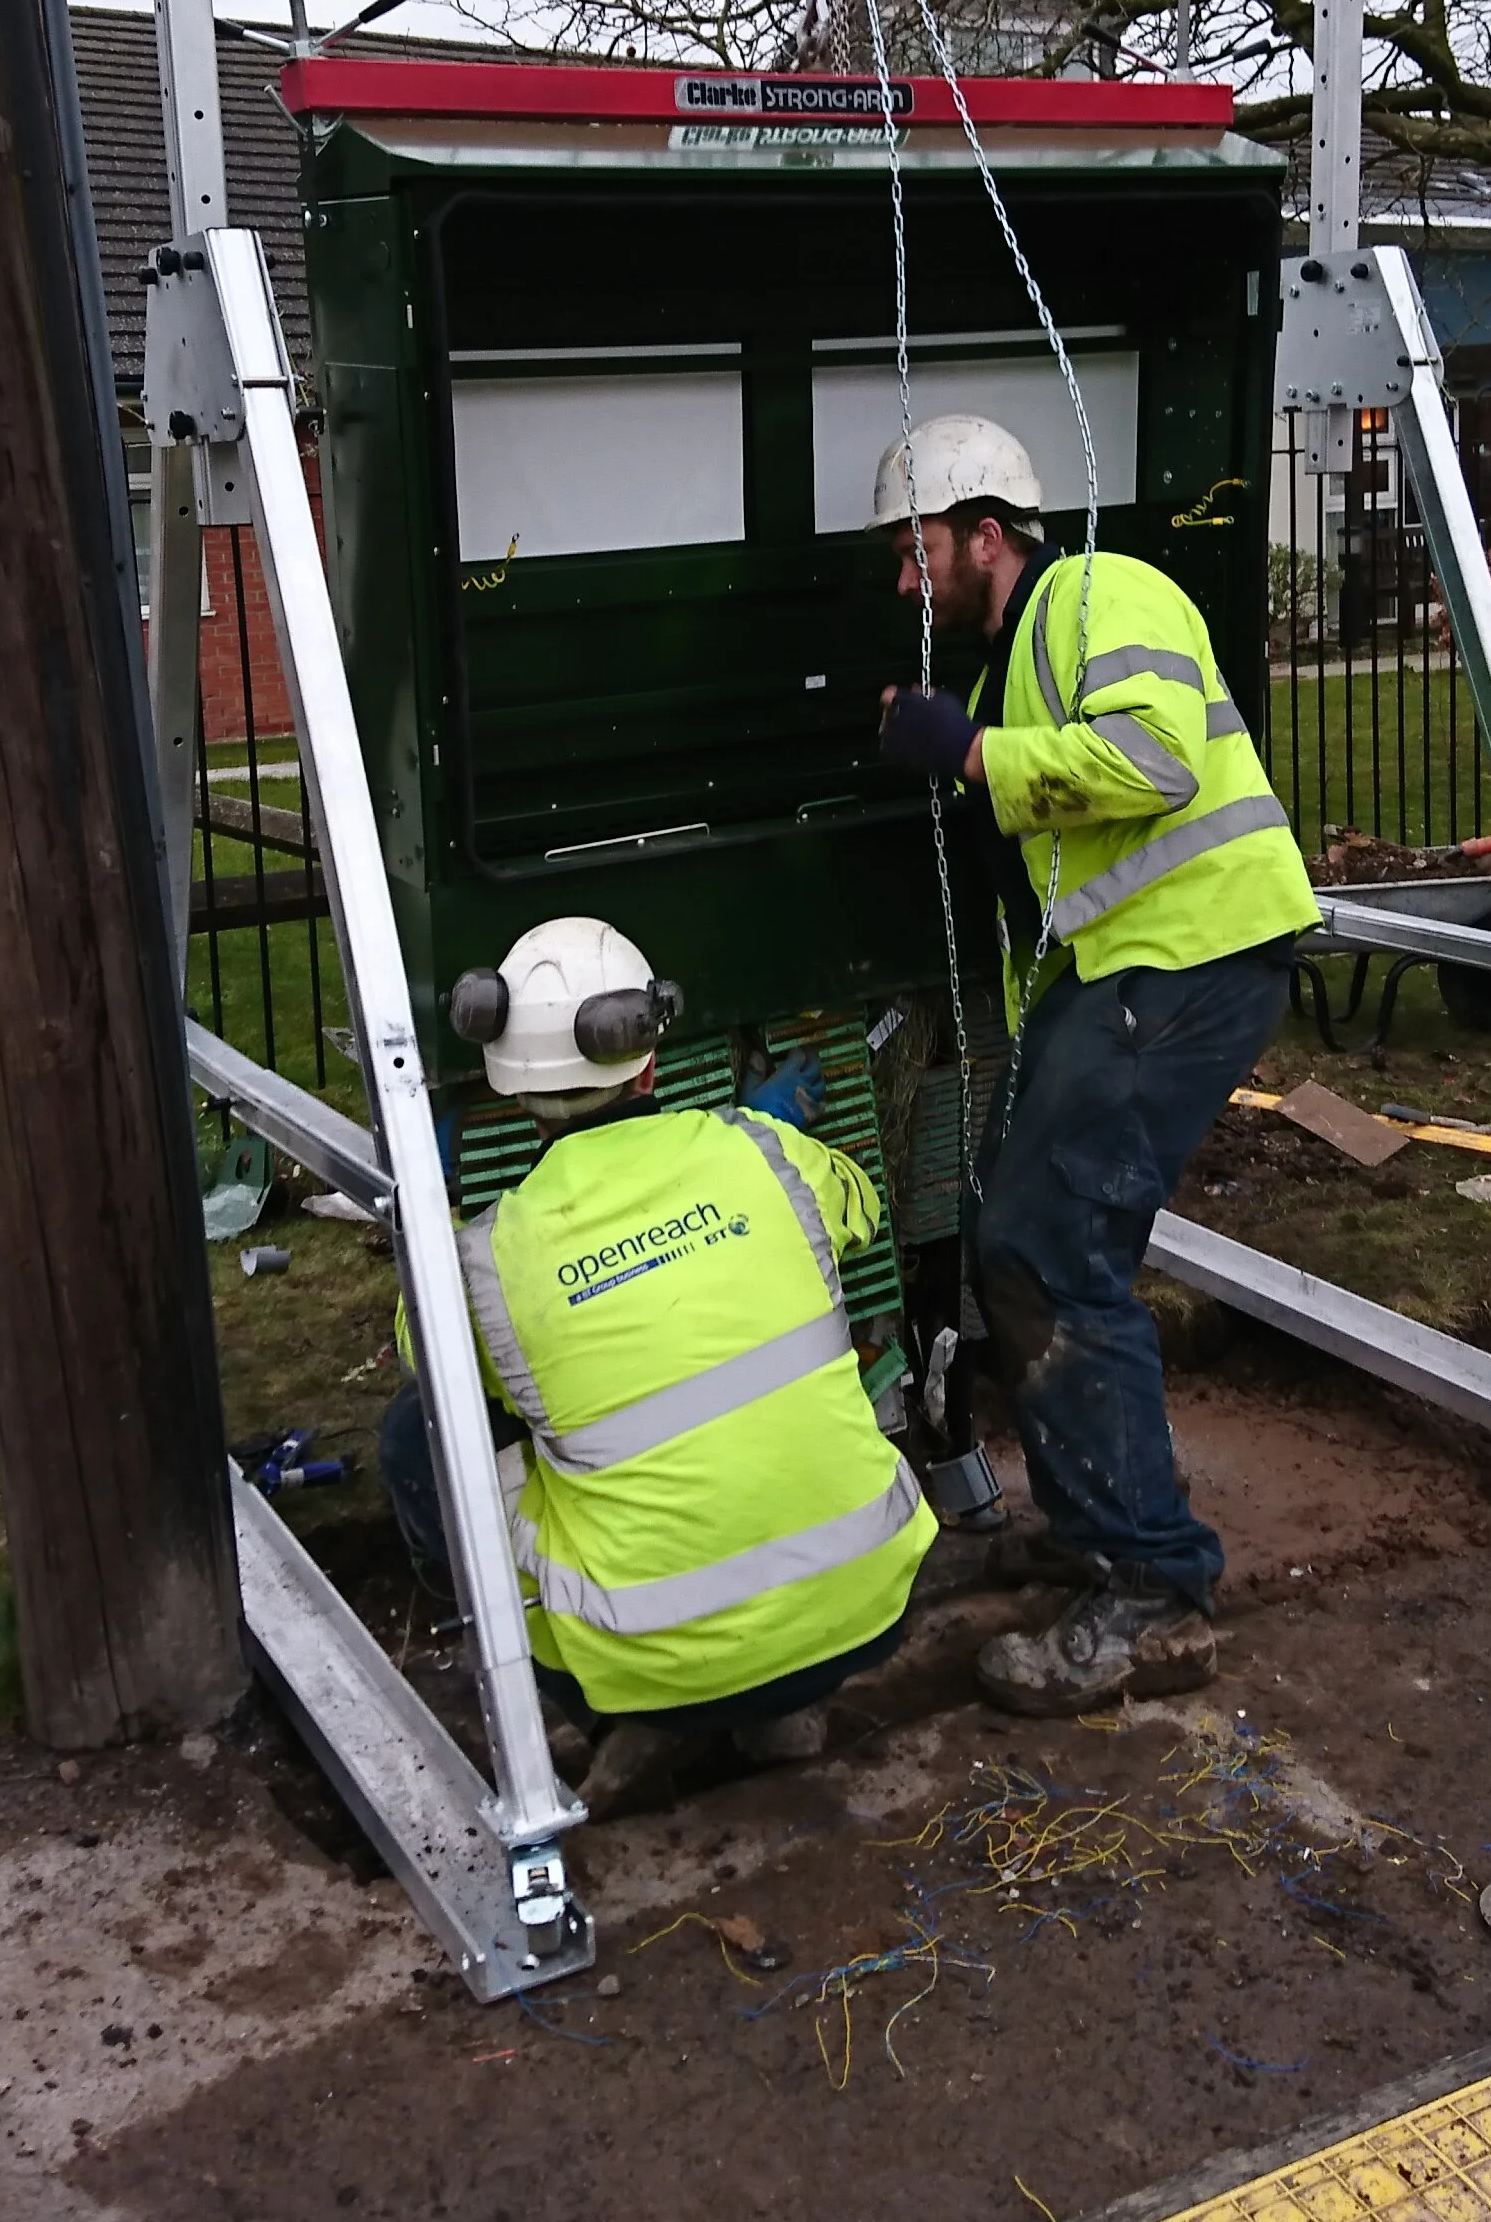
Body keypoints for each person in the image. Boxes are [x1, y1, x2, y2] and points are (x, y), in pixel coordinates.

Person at [873, 413, 1317, 1714]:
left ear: (986, 532)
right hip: (1136, 968)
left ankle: (1154, 1586)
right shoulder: (1022, 651)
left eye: (919, 551)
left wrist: (967, 753)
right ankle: (1088, 1530)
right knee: (1023, 1248)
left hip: (1192, 957)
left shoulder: (1095, 592)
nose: (908, 583)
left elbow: (1156, 759)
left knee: (1049, 1252)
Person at [378, 917, 935, 1818]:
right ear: (650, 1062)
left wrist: (431, 1221)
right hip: (865, 1603)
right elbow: (859, 1204)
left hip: (649, 1656)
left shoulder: (486, 1267)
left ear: (508, 1089)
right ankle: (778, 1711)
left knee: (419, 1434)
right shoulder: (766, 1155)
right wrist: (768, 1133)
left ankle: (621, 1714)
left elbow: (423, 1349)